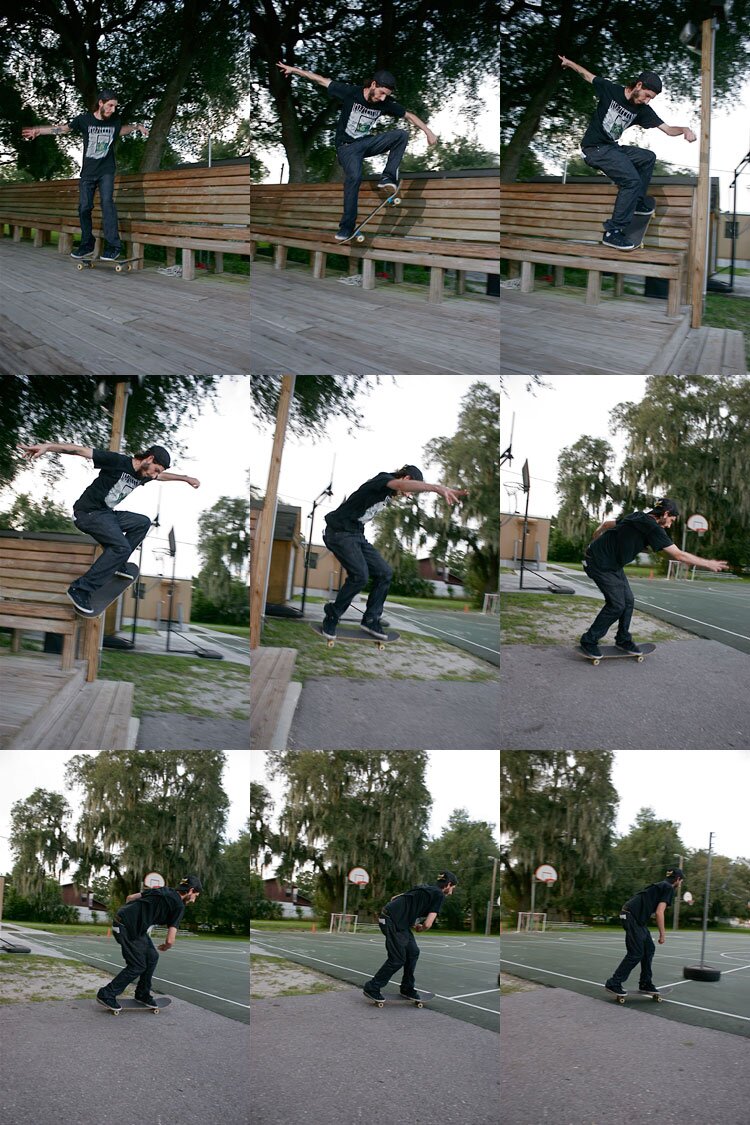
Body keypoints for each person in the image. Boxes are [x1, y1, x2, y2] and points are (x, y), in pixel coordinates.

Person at [17, 441, 200, 615]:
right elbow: (78, 450)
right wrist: (48, 447)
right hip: (86, 513)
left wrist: (185, 478)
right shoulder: (117, 461)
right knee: (121, 547)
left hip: (106, 515)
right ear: (149, 459)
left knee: (142, 523)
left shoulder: (144, 474)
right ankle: (80, 589)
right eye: (155, 470)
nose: (154, 476)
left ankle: (118, 564)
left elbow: (162, 477)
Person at [276, 62, 438, 240]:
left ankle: (388, 177)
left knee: (401, 135)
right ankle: (346, 228)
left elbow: (409, 115)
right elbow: (321, 80)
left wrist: (428, 131)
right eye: (382, 93)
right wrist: (294, 70)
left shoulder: (385, 103)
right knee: (354, 177)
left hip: (364, 144)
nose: (383, 99)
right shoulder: (351, 92)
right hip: (346, 149)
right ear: (373, 85)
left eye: (387, 95)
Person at [558, 57, 696, 250]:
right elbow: (588, 75)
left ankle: (638, 202)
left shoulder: (643, 110)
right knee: (631, 181)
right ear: (638, 85)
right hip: (594, 149)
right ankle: (612, 232)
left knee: (648, 157)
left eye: (650, 99)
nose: (645, 101)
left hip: (612, 148)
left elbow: (667, 128)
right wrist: (569, 63)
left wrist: (683, 129)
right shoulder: (610, 90)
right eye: (646, 95)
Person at [322, 465, 466, 640]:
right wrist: (436, 488)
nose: (409, 495)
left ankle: (370, 618)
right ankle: (332, 614)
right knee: (360, 576)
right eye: (410, 489)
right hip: (338, 532)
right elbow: (400, 486)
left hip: (355, 534)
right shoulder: (383, 480)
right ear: (406, 478)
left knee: (384, 573)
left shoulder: (387, 495)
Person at [580, 498, 728, 657]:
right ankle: (589, 641)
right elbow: (679, 555)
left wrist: (596, 537)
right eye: (671, 520)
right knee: (617, 605)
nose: (670, 524)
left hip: (610, 564)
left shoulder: (636, 516)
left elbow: (607, 524)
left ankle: (623, 639)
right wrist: (708, 563)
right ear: (665, 514)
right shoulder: (653, 528)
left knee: (628, 601)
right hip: (600, 564)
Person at [22, 90, 150, 261]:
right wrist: (39, 131)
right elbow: (63, 129)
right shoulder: (84, 120)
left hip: (106, 171)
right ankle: (87, 243)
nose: (112, 109)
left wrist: (136, 127)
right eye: (110, 105)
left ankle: (114, 246)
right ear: (101, 103)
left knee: (107, 203)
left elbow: (122, 130)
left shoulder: (114, 123)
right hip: (88, 173)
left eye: (115, 106)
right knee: (84, 207)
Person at [96, 875, 202, 1012]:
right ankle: (106, 994)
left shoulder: (163, 890)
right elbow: (170, 940)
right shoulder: (179, 906)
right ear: (191, 890)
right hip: (127, 928)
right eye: (196, 896)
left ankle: (142, 994)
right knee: (137, 965)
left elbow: (130, 898)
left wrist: (133, 914)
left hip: (128, 924)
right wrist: (166, 945)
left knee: (152, 957)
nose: (194, 900)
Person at [363, 870, 458, 1004]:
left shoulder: (424, 888)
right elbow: (428, 924)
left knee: (413, 952)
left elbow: (395, 898)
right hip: (392, 921)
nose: (452, 891)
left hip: (397, 921)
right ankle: (372, 987)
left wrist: (408, 915)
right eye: (453, 888)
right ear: (448, 884)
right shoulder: (439, 895)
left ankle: (407, 988)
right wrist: (421, 928)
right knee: (397, 958)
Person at [605, 868, 684, 997]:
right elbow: (659, 912)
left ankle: (645, 983)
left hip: (635, 918)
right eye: (681, 881)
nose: (680, 884)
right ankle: (614, 983)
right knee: (636, 953)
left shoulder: (661, 885)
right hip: (632, 917)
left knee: (649, 949)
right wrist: (662, 934)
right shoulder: (669, 888)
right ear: (678, 879)